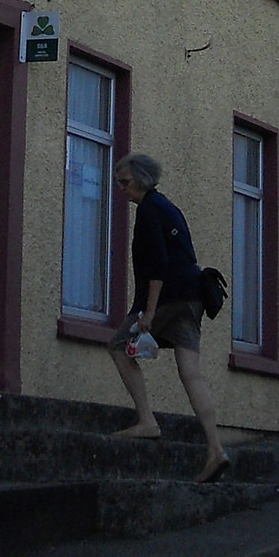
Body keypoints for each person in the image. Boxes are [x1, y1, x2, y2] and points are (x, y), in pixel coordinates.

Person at [109, 153, 229, 482]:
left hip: (170, 297)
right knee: (192, 374)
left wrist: (147, 314)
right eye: (118, 182)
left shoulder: (149, 210)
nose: (121, 188)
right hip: (193, 297)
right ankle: (215, 449)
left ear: (143, 179)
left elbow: (158, 265)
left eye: (125, 181)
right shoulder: (168, 207)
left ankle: (147, 421)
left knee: (119, 344)